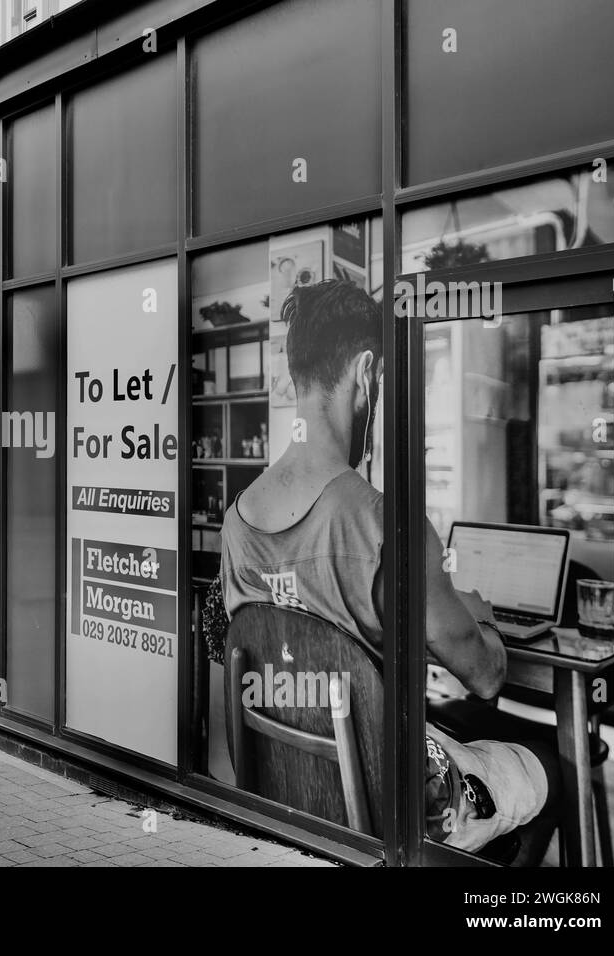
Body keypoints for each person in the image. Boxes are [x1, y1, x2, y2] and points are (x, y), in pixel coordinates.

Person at [213, 279, 557, 860]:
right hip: (393, 810)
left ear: (296, 374)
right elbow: (485, 677)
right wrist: (481, 619)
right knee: (548, 760)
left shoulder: (236, 525)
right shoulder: (385, 524)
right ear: (367, 372)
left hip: (288, 800)